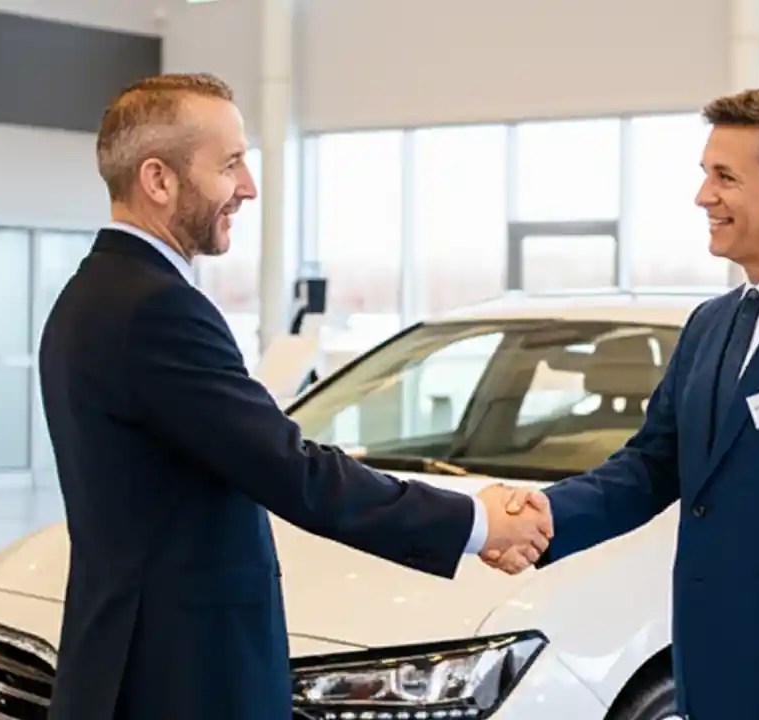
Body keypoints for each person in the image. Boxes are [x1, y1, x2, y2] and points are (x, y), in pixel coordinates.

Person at [38, 73, 552, 719]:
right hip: (180, 676)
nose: (248, 187)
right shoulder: (156, 310)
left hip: (131, 657)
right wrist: (476, 522)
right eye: (230, 164)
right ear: (158, 180)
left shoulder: (92, 294)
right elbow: (291, 470)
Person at [483, 88, 759, 720]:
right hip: (714, 680)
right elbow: (650, 466)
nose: (703, 196)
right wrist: (545, 516)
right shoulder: (711, 324)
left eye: (725, 177)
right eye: (706, 174)